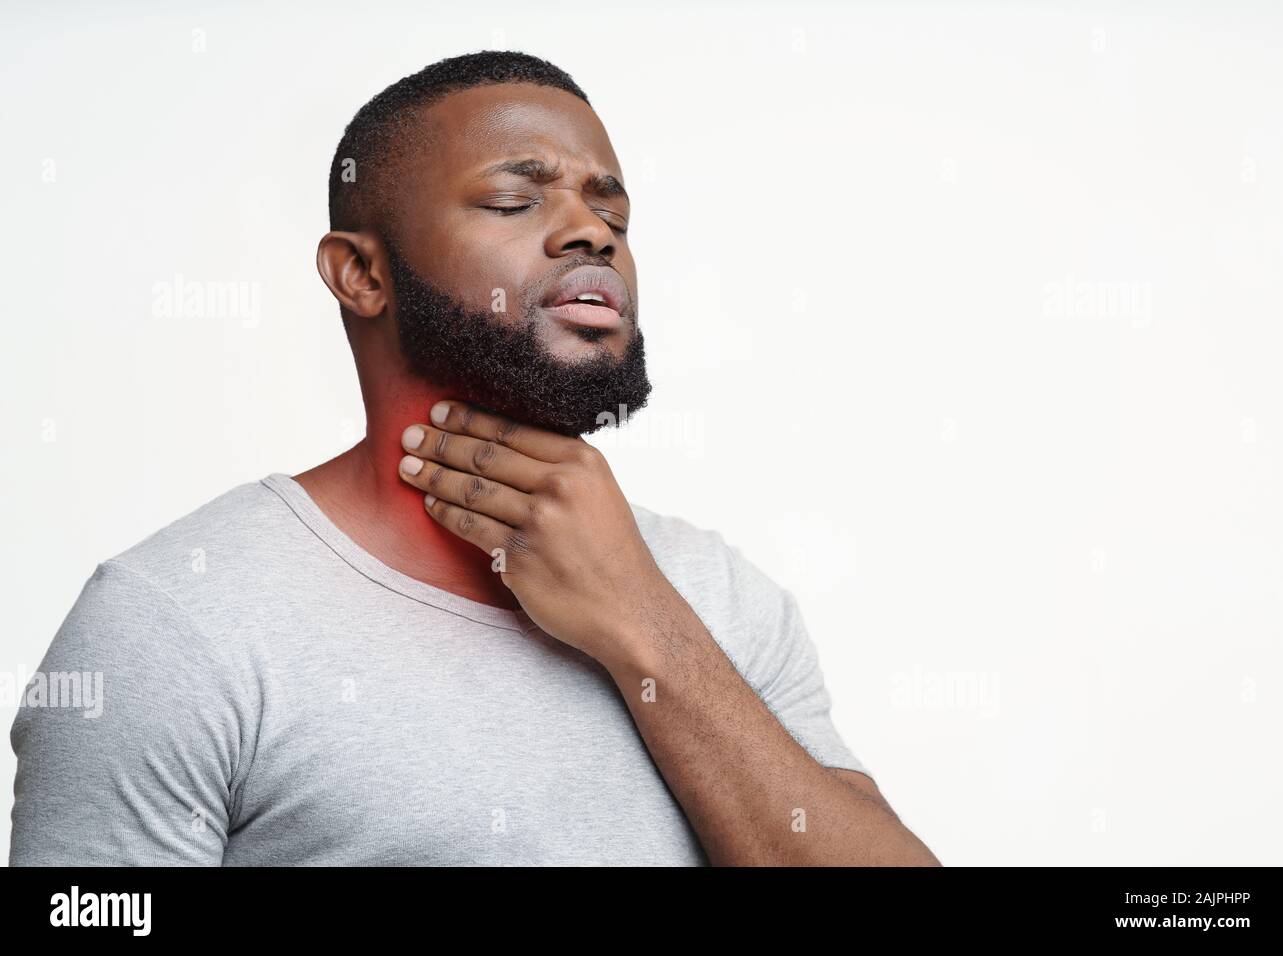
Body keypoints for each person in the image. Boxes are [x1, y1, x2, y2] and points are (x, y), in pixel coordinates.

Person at [9, 50, 939, 866]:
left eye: (611, 209)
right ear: (361, 274)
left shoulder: (723, 599)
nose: (591, 232)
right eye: (513, 199)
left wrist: (644, 621)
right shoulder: (177, 623)